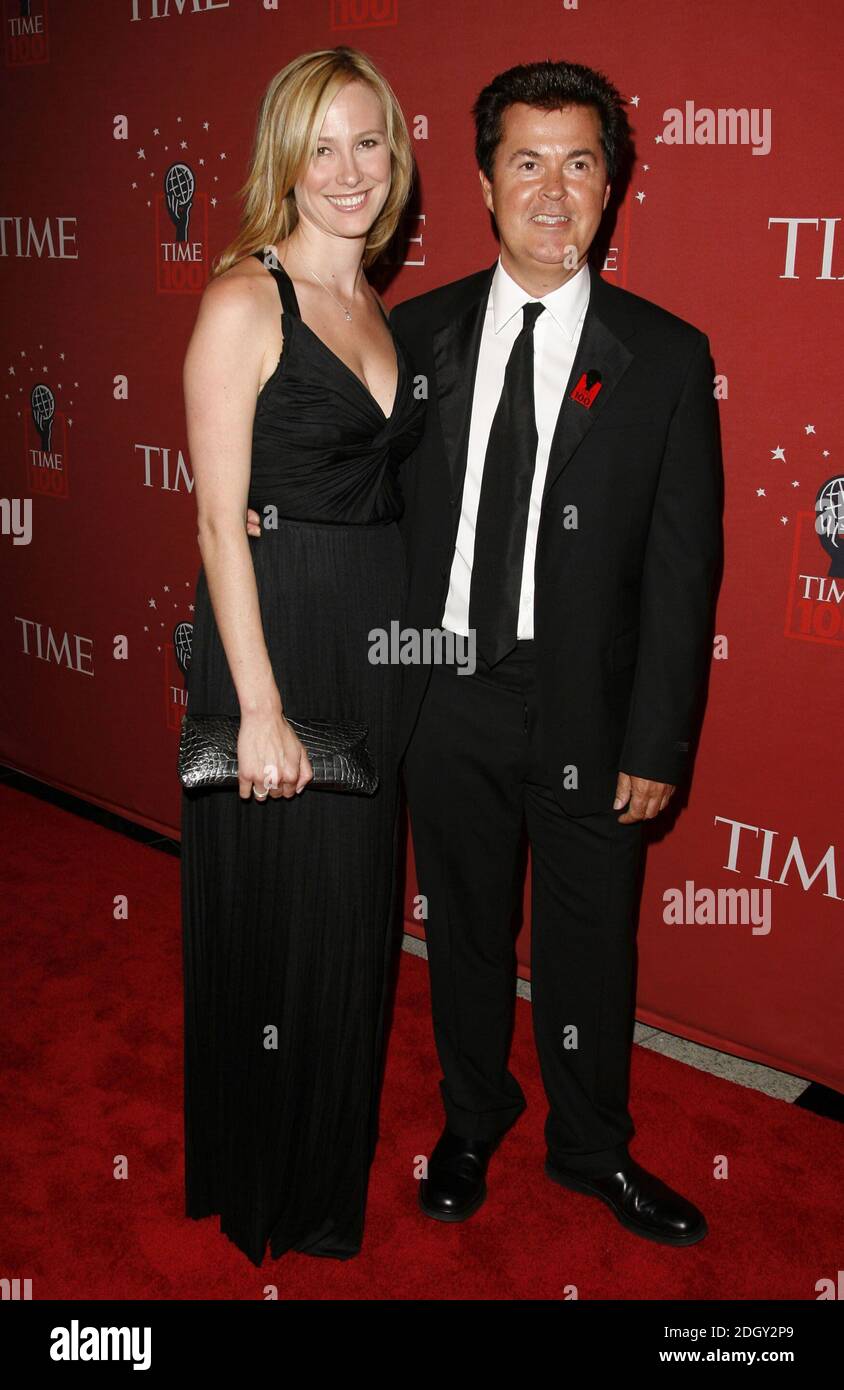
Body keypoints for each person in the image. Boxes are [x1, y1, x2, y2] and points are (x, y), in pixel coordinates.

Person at [248, 59, 724, 1247]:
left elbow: (681, 569)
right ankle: (472, 1115)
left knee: (586, 944)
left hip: (588, 711)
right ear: (481, 180)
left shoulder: (663, 357)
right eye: (526, 162)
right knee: (459, 929)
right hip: (439, 693)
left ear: (609, 189)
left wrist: (656, 735)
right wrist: (272, 515)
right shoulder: (416, 333)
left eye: (578, 164)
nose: (552, 191)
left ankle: (589, 1148)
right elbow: (355, 492)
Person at [180, 45, 424, 1266]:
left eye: (367, 140)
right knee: (281, 918)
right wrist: (261, 710)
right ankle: (265, 1180)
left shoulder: (374, 301)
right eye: (319, 143)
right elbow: (221, 520)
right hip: (274, 646)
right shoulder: (244, 297)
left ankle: (323, 1168)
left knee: (352, 925)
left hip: (372, 643)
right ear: (284, 156)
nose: (347, 169)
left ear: (396, 156)